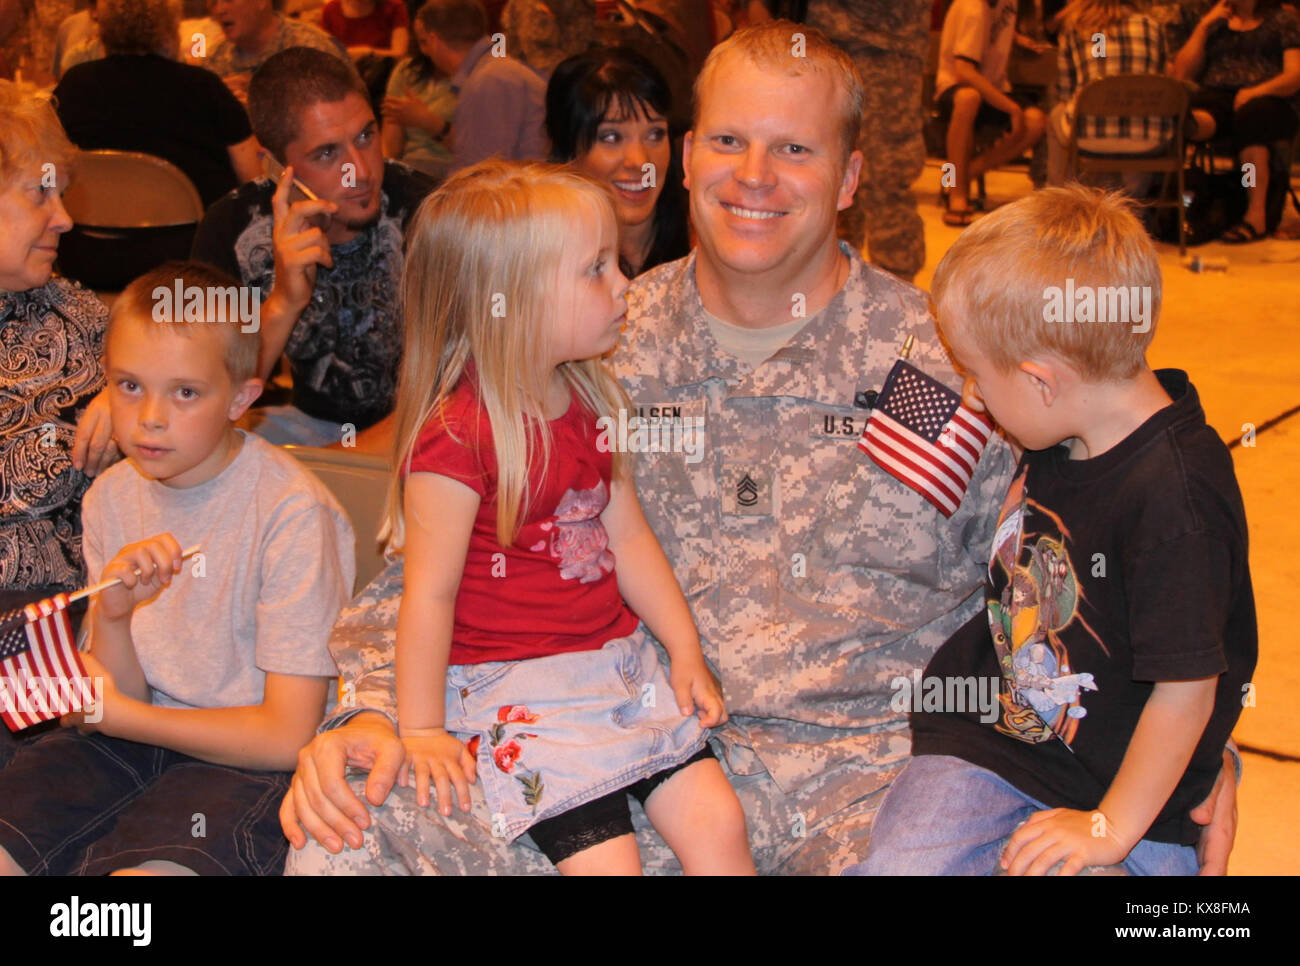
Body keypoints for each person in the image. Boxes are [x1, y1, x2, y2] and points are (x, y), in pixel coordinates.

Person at [278, 20, 1241, 876]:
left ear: (853, 178)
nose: (755, 176)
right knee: (352, 829)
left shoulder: (951, 364)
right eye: (731, 142)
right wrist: (365, 709)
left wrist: (1200, 752)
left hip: (868, 794)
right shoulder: (570, 344)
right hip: (609, 759)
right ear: (688, 158)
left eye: (795, 149)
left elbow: (1114, 560)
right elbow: (423, 576)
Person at [849, 186, 1257, 876]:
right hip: (999, 738)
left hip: (1132, 785)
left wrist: (1109, 827)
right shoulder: (1067, 423)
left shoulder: (1176, 502)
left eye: (977, 378)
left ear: (1042, 381)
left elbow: (1188, 690)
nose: (971, 398)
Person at [385, 161, 753, 874]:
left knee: (719, 823)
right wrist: (422, 727)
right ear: (511, 301)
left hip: (615, 666)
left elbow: (631, 537)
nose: (624, 284)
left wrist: (684, 649)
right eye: (596, 270)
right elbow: (426, 594)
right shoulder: (456, 438)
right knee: (608, 866)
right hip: (515, 687)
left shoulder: (591, 399)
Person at [0, 260, 354, 876]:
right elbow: (113, 697)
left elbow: (287, 734)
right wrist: (112, 616)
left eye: (184, 392)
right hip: (125, 743)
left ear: (242, 399)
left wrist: (128, 717)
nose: (150, 417)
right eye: (129, 386)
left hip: (242, 765)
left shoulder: (292, 513)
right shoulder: (110, 495)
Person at [191, 46, 433, 449]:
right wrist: (283, 302)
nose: (361, 170)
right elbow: (208, 399)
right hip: (304, 427)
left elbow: (472, 393)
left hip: (421, 428)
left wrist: (340, 465)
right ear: (273, 165)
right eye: (326, 153)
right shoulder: (233, 229)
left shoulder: (429, 210)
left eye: (365, 135)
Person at [54, 0, 261, 209]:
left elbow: (47, 163)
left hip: (93, 232)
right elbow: (252, 177)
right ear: (168, 28)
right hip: (193, 236)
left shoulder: (74, 85)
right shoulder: (203, 86)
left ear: (103, 29)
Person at [806, 0, 931, 281]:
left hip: (883, 44)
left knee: (886, 178)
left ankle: (898, 301)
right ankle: (839, 287)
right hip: (817, 44)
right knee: (828, 178)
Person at [546, 45, 689, 278]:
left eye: (655, 135)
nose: (640, 161)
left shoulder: (706, 252)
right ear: (568, 151)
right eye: (611, 137)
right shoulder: (546, 268)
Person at [1172, 0, 1300, 242]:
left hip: (1270, 99)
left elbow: (1294, 75)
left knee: (1251, 117)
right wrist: (1204, 27)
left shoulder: (1283, 20)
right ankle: (1173, 207)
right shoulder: (1214, 20)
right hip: (1219, 98)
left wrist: (1256, 91)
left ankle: (1256, 215)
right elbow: (1181, 75)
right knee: (1184, 110)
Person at [934, 0, 1049, 226]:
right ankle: (957, 194)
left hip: (993, 87)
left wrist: (1016, 38)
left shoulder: (1009, 4)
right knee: (969, 98)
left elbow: (991, 29)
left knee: (1036, 121)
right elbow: (963, 72)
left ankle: (963, 176)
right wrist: (1011, 108)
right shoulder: (973, 8)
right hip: (954, 89)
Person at [1046, 0, 1171, 193]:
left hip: (1089, 136)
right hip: (1148, 139)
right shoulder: (1152, 25)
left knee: (1057, 114)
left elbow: (1066, 91)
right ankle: (1134, 201)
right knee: (1140, 121)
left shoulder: (1077, 27)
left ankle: (1060, 194)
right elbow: (1161, 80)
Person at [414, 0, 549, 172]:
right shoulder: (496, 70)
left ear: (433, 40)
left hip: (523, 192)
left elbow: (483, 175)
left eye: (423, 41)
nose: (425, 52)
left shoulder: (489, 81)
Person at [203, 0, 351, 106]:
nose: (219, 10)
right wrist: (218, 96)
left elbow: (342, 113)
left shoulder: (310, 49)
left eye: (229, 0)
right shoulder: (215, 60)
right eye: (213, 3)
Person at [380, 8, 458, 180]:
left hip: (455, 169)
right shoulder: (406, 71)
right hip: (411, 167)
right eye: (422, 41)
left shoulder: (476, 77)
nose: (426, 49)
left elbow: (478, 149)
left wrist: (427, 121)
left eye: (431, 40)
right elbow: (390, 146)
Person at [321, 0, 410, 61]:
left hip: (383, 78)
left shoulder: (394, 7)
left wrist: (369, 53)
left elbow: (400, 55)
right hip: (343, 78)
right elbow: (324, 54)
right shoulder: (330, 9)